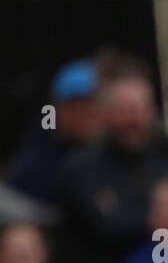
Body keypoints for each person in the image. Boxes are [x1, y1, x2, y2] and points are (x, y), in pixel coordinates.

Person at [53, 73, 168, 263]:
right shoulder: (80, 167)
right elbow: (110, 228)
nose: (132, 120)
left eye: (138, 110)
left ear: (152, 112)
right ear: (105, 113)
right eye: (123, 110)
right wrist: (162, 221)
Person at [5, 59, 102, 205]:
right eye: (76, 107)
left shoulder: (113, 150)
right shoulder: (38, 156)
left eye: (91, 107)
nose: (84, 116)